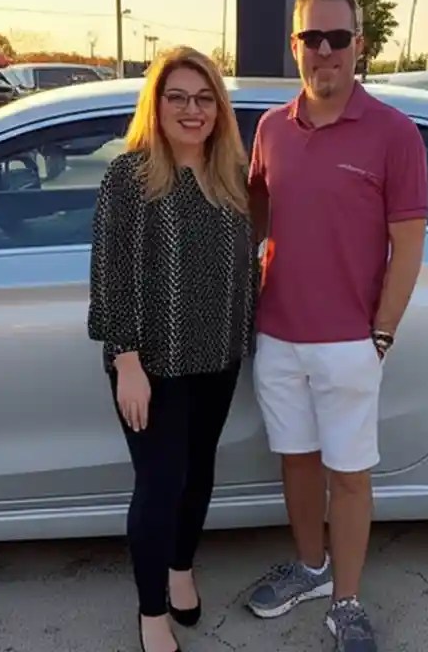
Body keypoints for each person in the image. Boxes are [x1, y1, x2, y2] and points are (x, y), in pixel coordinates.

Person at [244, 0, 428, 651]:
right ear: (294, 46)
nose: (325, 52)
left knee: (349, 475)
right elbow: (256, 213)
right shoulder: (270, 129)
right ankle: (311, 568)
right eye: (311, 39)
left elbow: (408, 242)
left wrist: (381, 333)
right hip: (278, 335)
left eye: (338, 38)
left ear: (360, 46)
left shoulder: (393, 133)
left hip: (351, 340)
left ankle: (346, 601)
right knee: (296, 462)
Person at [88, 45, 258, 652]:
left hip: (218, 353)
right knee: (160, 483)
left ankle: (181, 567)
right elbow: (108, 275)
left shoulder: (231, 177)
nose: (193, 110)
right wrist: (126, 362)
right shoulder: (128, 179)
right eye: (178, 97)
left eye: (204, 97)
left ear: (219, 107)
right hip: (151, 363)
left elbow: (249, 265)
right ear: (155, 104)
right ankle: (150, 610)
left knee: (198, 473)